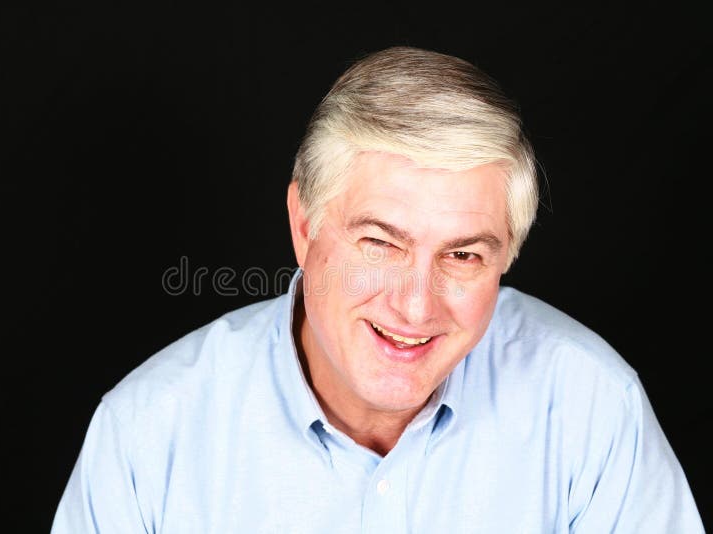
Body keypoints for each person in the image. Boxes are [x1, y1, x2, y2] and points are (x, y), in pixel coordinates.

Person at [51, 47, 704, 533]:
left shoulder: (593, 407)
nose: (416, 306)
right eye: (380, 243)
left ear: (506, 257)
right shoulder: (146, 434)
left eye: (465, 254)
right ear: (304, 229)